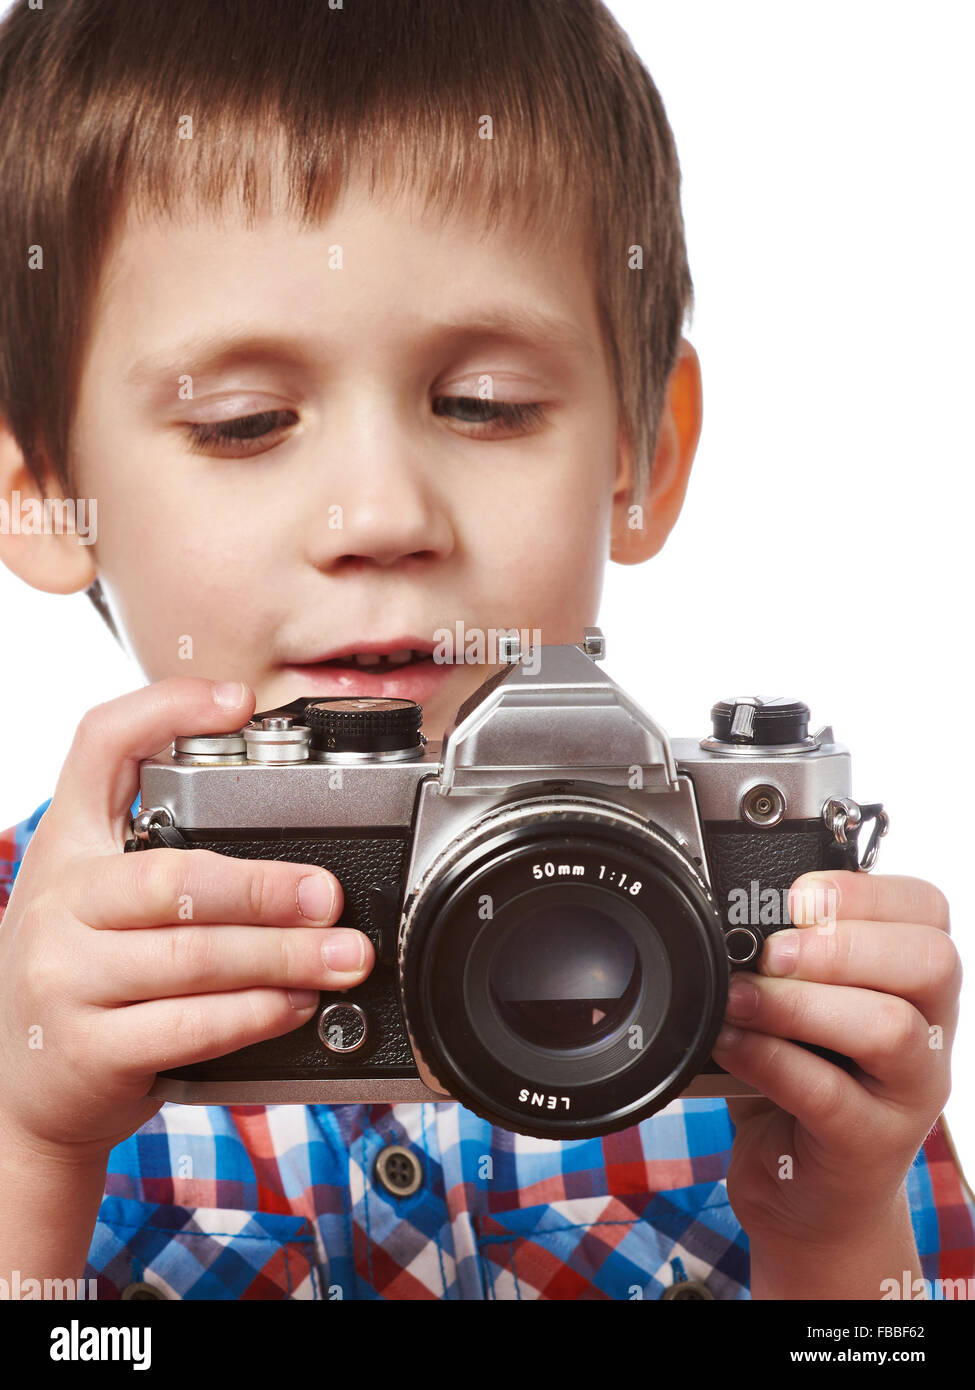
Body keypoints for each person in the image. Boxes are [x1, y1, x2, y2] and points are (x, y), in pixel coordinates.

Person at [0, 0, 971, 1301]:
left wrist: (835, 1231)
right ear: (39, 487)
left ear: (647, 456)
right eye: (243, 422)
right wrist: (27, 1157)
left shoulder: (757, 975)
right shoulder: (24, 983)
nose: (382, 513)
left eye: (484, 404)